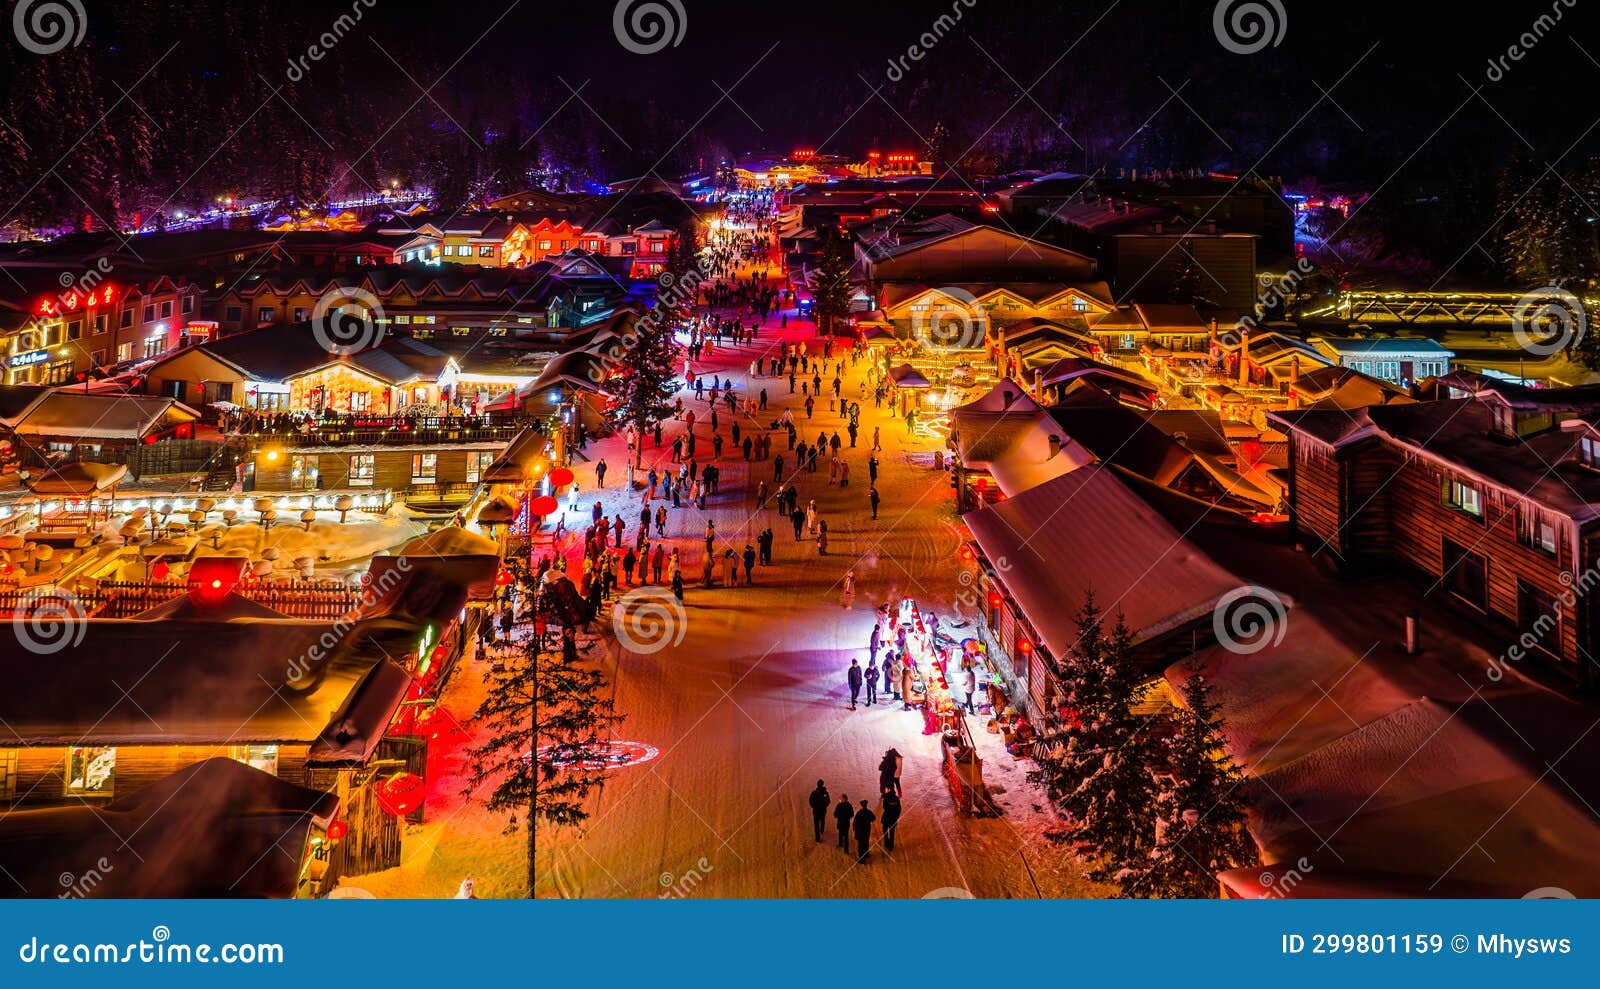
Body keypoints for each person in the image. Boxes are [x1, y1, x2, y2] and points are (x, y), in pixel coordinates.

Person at [878, 786, 902, 853]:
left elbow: (884, 807)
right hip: (893, 818)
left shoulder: (886, 798)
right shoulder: (896, 799)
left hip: (886, 817)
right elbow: (899, 808)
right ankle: (891, 846)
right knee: (892, 832)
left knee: (884, 830)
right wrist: (896, 816)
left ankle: (886, 842)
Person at [852, 800, 877, 864]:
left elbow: (855, 822)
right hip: (867, 830)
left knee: (860, 845)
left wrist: (854, 828)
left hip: (860, 831)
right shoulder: (868, 812)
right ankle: (866, 854)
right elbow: (873, 818)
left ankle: (861, 859)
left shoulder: (859, 813)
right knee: (866, 842)